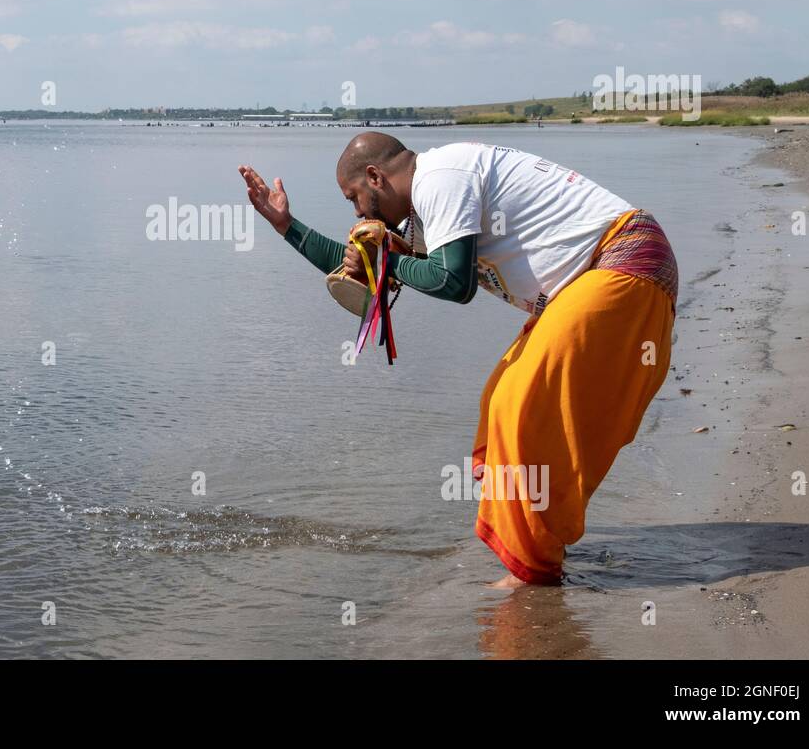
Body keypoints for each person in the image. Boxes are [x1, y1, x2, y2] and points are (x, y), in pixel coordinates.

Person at [238, 132, 678, 586]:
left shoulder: (439, 180)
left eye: (355, 197)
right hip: (601, 277)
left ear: (375, 176)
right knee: (502, 401)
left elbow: (453, 282)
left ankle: (534, 566)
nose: (357, 213)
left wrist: (391, 262)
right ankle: (542, 545)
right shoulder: (428, 208)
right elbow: (359, 268)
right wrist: (286, 226)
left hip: (623, 263)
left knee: (520, 405)